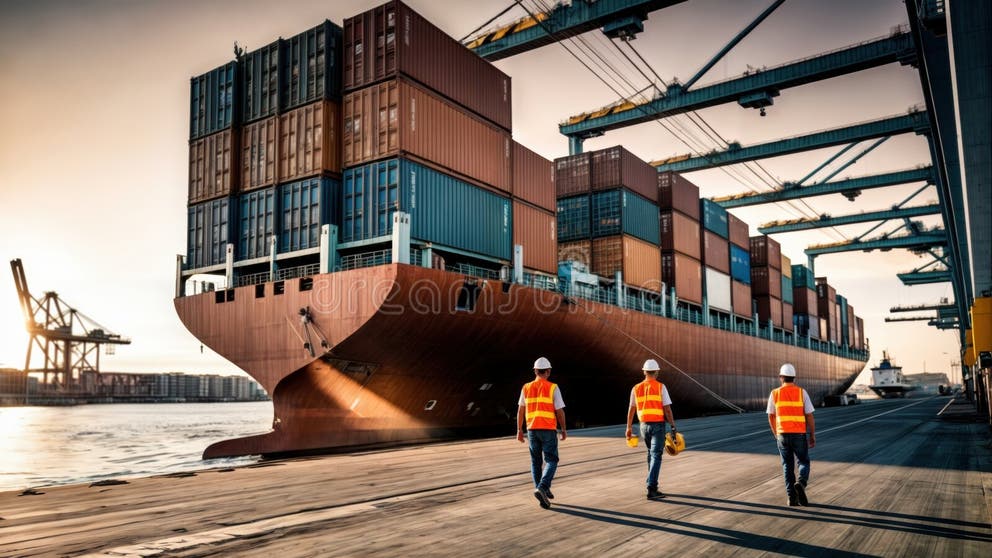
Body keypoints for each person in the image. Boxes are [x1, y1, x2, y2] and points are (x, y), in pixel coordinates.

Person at [517, 357, 567, 509]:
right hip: (548, 429)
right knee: (552, 460)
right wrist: (564, 429)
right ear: (548, 371)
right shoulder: (553, 387)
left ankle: (541, 493)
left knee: (535, 462)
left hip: (531, 429)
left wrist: (519, 430)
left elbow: (520, 410)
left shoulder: (526, 387)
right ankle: (543, 487)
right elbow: (559, 411)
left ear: (535, 371)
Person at [625, 358, 678, 499]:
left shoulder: (636, 388)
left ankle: (651, 482)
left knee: (650, 454)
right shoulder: (661, 387)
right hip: (657, 426)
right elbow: (667, 409)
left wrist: (629, 427)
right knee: (656, 455)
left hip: (643, 426)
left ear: (644, 371)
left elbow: (631, 409)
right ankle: (652, 488)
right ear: (657, 372)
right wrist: (673, 425)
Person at [767, 363, 816, 506]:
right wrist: (812, 435)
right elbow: (809, 416)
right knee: (803, 461)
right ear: (794, 378)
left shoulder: (774, 393)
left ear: (781, 377)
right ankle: (801, 482)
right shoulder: (802, 392)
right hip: (799, 435)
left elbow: (770, 416)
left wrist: (776, 434)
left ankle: (792, 498)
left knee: (787, 466)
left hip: (782, 434)